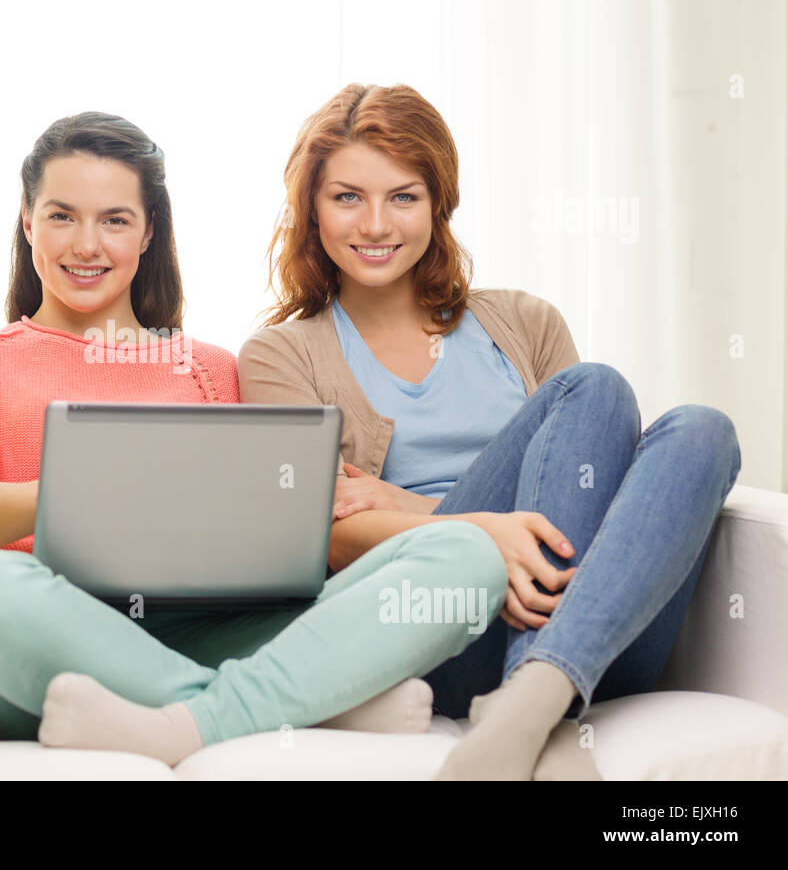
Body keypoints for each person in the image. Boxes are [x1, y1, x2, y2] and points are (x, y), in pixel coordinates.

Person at [0, 110, 510, 768]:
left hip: (213, 626)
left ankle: (199, 714)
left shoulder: (211, 367)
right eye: (61, 216)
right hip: (55, 632)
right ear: (27, 220)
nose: (86, 243)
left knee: (466, 554)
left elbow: (287, 520)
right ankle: (301, 702)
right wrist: (99, 489)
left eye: (114, 219)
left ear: (147, 234)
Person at [237, 83, 741, 779]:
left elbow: (595, 481)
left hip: (591, 624)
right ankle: (537, 706)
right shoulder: (281, 355)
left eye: (404, 196)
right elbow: (315, 534)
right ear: (311, 209)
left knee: (703, 429)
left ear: (438, 204)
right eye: (347, 196)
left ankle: (532, 699)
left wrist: (419, 506)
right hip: (439, 630)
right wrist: (478, 537)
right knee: (594, 385)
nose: (376, 223)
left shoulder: (524, 322)